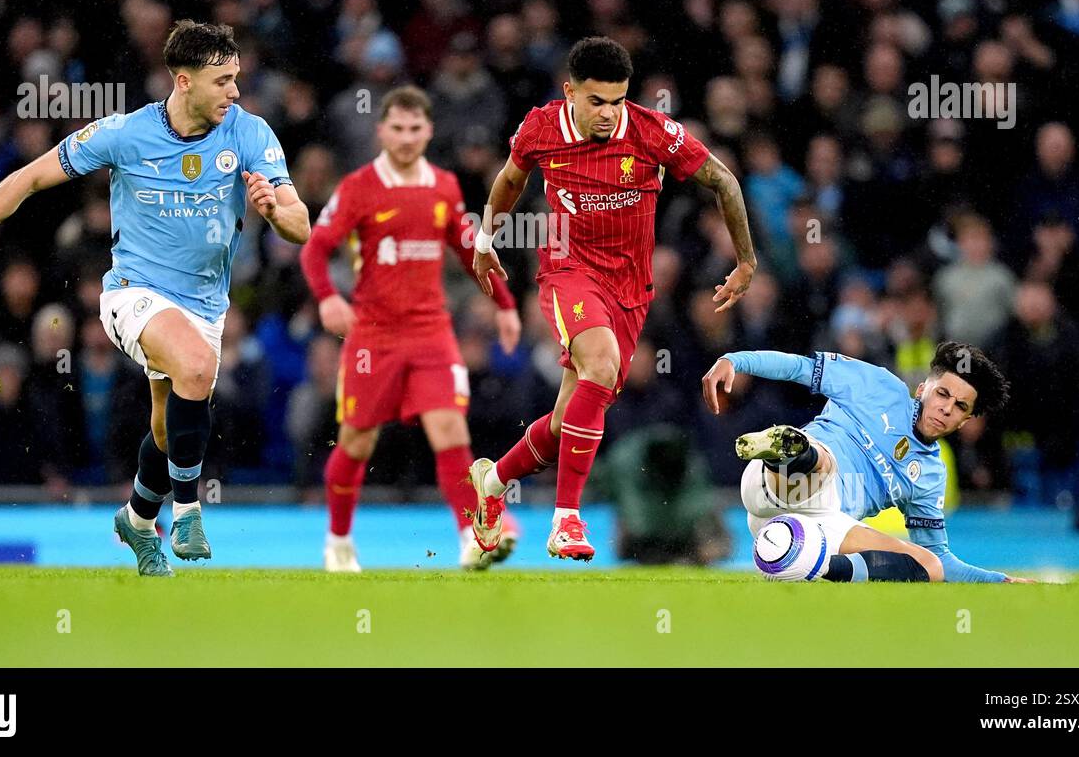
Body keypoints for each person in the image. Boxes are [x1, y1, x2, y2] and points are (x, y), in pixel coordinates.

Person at [0, 21, 310, 575]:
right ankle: (189, 510)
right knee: (195, 369)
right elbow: (27, 179)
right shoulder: (123, 133)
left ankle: (136, 518)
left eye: (236, 79)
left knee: (167, 428)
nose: (235, 92)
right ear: (183, 81)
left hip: (204, 304)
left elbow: (302, 224)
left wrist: (274, 210)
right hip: (134, 294)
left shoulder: (250, 133)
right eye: (222, 80)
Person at [468, 36, 757, 561]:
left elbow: (724, 182)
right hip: (568, 270)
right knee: (600, 369)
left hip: (630, 290)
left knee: (566, 422)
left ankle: (492, 484)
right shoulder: (541, 128)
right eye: (596, 101)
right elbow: (512, 178)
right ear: (570, 92)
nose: (608, 113)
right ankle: (568, 521)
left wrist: (746, 261)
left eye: (617, 101)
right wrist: (486, 239)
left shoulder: (652, 133)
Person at [300, 85, 522, 571]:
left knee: (449, 431)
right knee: (357, 441)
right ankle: (338, 541)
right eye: (396, 128)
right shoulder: (358, 187)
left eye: (415, 128)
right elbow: (315, 250)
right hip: (373, 337)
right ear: (381, 130)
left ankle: (472, 537)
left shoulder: (443, 185)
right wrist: (328, 298)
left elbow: (470, 251)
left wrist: (505, 305)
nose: (405, 138)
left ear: (429, 130)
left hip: (431, 333)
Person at [702, 341, 1033, 582]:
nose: (947, 408)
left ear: (966, 420)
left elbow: (943, 560)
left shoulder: (930, 475)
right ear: (922, 389)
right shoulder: (878, 385)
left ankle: (811, 566)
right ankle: (785, 450)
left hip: (816, 526)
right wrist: (736, 360)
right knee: (825, 463)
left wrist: (1000, 581)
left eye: (961, 407)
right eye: (943, 394)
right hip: (777, 483)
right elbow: (798, 368)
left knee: (927, 566)